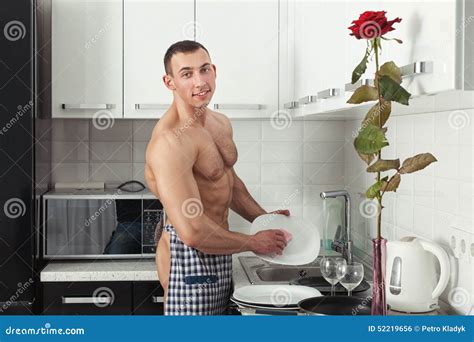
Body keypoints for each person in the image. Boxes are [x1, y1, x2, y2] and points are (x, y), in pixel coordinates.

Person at [144, 40, 290, 315]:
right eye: (187, 74)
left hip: (220, 249)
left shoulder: (219, 123)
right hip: (189, 260)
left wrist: (266, 219)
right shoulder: (170, 142)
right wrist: (254, 241)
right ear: (170, 82)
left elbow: (230, 184)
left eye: (205, 69)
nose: (200, 81)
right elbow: (192, 231)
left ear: (214, 70)